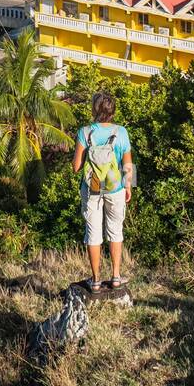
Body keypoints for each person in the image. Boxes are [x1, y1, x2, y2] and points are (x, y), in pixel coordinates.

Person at [72, 91, 133, 291]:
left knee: (93, 233)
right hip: (115, 188)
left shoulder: (85, 132)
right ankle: (116, 277)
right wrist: (128, 186)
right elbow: (128, 164)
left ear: (95, 110)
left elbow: (76, 167)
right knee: (116, 231)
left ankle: (96, 280)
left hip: (92, 189)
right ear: (113, 111)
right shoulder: (121, 132)